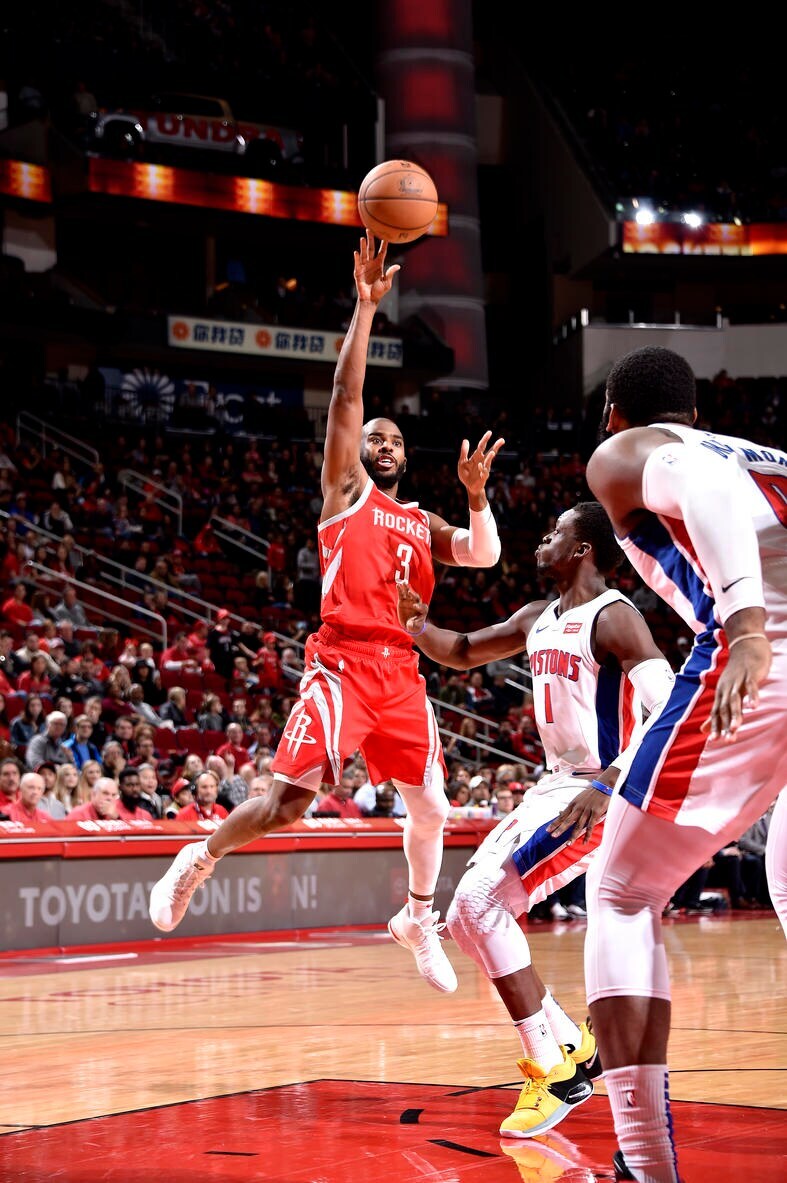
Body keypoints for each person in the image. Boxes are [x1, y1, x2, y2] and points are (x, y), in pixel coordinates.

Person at [150, 231, 504, 994]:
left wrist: (476, 498)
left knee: (434, 809)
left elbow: (481, 557)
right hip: (342, 662)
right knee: (285, 804)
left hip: (401, 673)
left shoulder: (421, 522)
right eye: (373, 434)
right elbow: (348, 396)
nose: (380, 439)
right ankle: (198, 859)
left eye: (393, 437)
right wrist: (365, 308)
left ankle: (416, 917)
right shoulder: (346, 494)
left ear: (405, 457)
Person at [396, 500, 675, 1139]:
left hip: (600, 793)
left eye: (555, 534)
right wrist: (416, 623)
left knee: (477, 903)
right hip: (553, 787)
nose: (541, 542)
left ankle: (551, 1071)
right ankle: (574, 1051)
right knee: (469, 917)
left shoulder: (616, 617)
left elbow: (666, 708)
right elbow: (462, 650)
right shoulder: (537, 618)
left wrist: (611, 782)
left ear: (581, 550)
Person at [580, 344, 787, 1183]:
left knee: (623, 893)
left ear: (612, 413)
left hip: (759, 661)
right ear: (697, 408)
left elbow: (690, 484)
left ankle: (645, 1162)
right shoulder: (764, 456)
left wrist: (743, 628)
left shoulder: (625, 452)